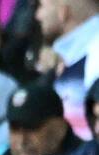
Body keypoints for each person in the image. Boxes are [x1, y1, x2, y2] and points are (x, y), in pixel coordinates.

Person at [35, 0, 99, 139]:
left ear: (63, 12)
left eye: (41, 6)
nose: (37, 15)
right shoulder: (68, 59)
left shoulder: (96, 53)